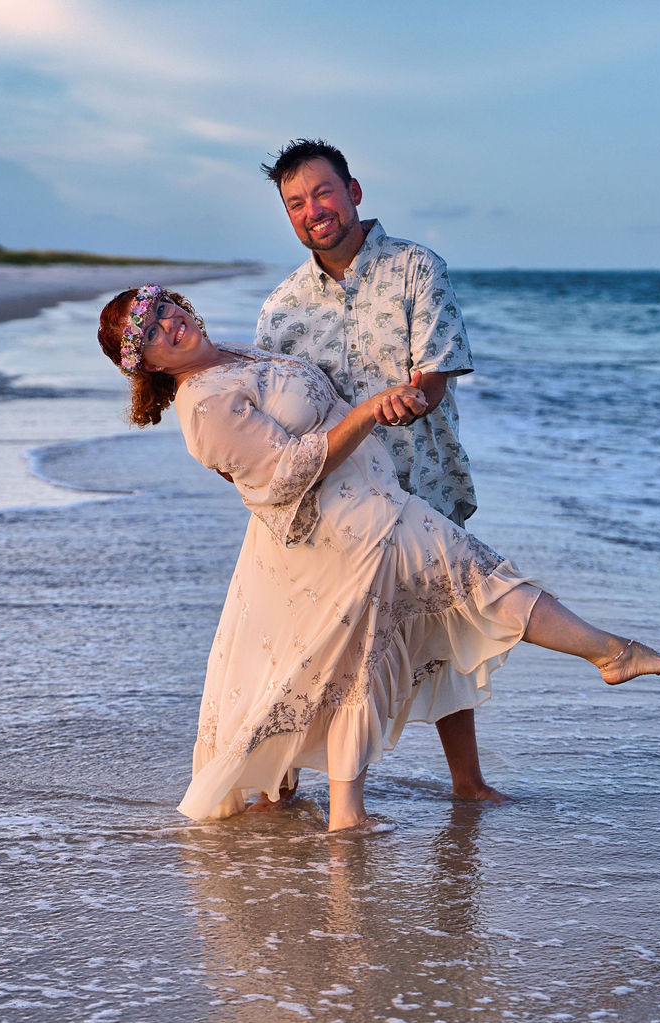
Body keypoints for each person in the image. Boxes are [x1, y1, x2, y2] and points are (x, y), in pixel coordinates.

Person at [97, 284, 660, 832]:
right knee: (475, 583)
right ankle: (612, 653)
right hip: (346, 527)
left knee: (369, 651)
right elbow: (285, 473)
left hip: (375, 505)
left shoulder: (232, 358)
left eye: (165, 309)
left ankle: (344, 812)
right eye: (148, 332)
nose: (168, 325)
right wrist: (369, 411)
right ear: (145, 363)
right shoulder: (203, 403)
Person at [255, 138, 498, 803]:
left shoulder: (418, 268)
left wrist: (402, 398)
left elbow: (434, 377)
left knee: (443, 631)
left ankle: (468, 782)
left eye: (324, 193)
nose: (314, 211)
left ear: (354, 191)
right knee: (315, 645)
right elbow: (273, 419)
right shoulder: (280, 311)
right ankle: (281, 785)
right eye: (296, 203)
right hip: (336, 503)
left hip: (422, 484)